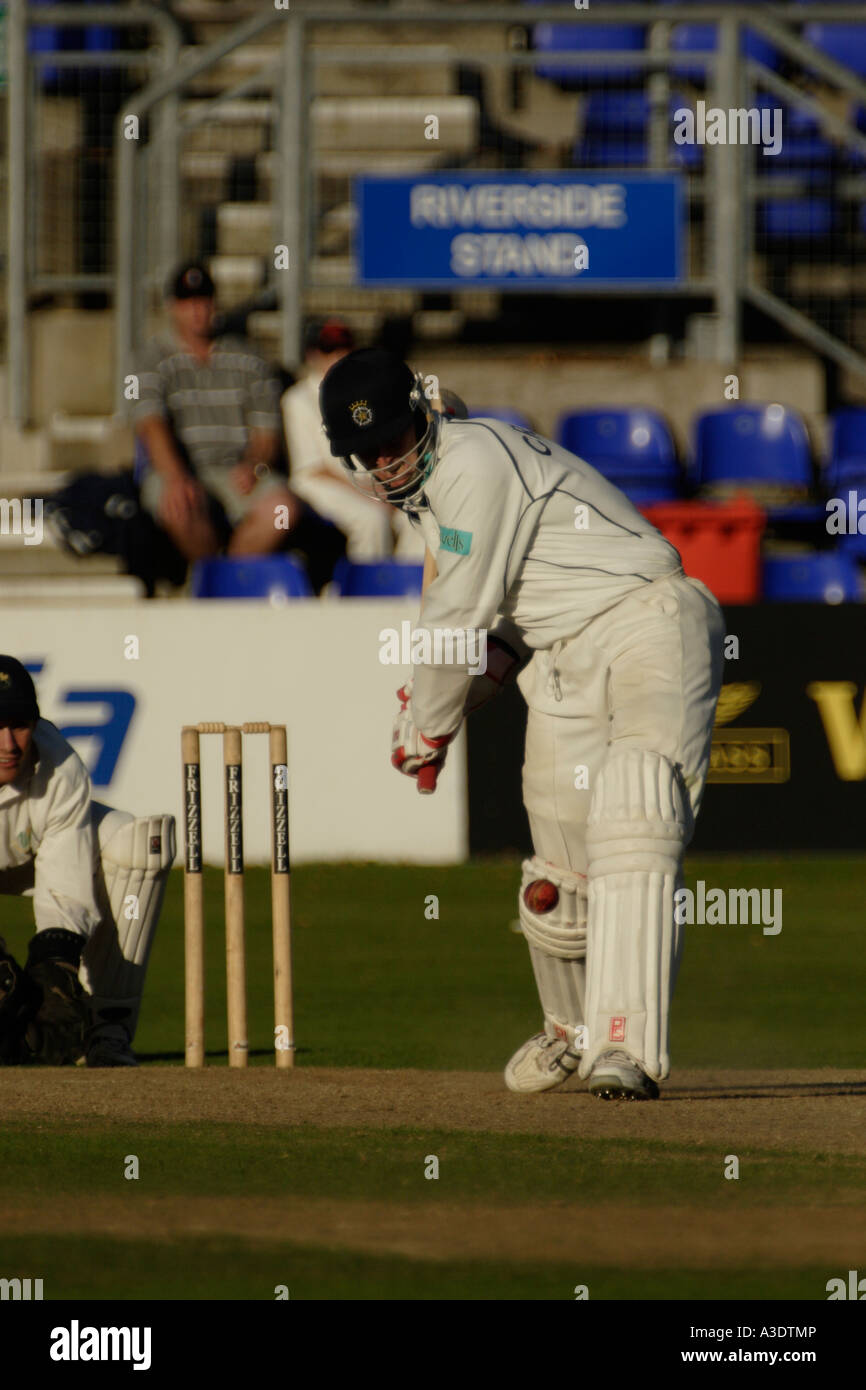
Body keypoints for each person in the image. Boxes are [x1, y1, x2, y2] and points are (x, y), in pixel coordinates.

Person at [320, 349, 724, 1101]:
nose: (387, 461)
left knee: (635, 804)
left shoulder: (471, 461)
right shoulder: (425, 494)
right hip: (561, 654)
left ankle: (624, 1046)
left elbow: (453, 622)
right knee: (559, 871)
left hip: (648, 622)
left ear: (423, 415)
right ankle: (570, 1029)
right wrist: (464, 691)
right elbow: (504, 619)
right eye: (369, 452)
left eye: (397, 439)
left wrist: (426, 727)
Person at [0, 657, 175, 1067]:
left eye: (19, 726)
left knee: (136, 843)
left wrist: (53, 971)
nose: (8, 744)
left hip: (30, 852)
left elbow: (64, 883)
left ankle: (107, 1029)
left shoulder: (61, 767)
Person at [133, 262, 302, 561]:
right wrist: (175, 477)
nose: (197, 311)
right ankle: (207, 579)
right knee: (177, 506)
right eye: (188, 303)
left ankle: (228, 580)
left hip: (237, 472)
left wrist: (254, 465)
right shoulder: (151, 359)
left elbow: (266, 433)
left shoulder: (250, 359)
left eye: (204, 301)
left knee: (282, 512)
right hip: (181, 469)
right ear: (173, 307)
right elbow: (150, 424)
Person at [281, 319, 395, 561]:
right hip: (315, 483)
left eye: (344, 348)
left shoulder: (362, 394)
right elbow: (315, 468)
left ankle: (408, 590)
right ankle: (366, 593)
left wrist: (386, 489)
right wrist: (369, 494)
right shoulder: (298, 399)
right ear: (313, 355)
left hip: (363, 482)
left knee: (415, 517)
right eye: (329, 349)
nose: (338, 356)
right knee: (372, 520)